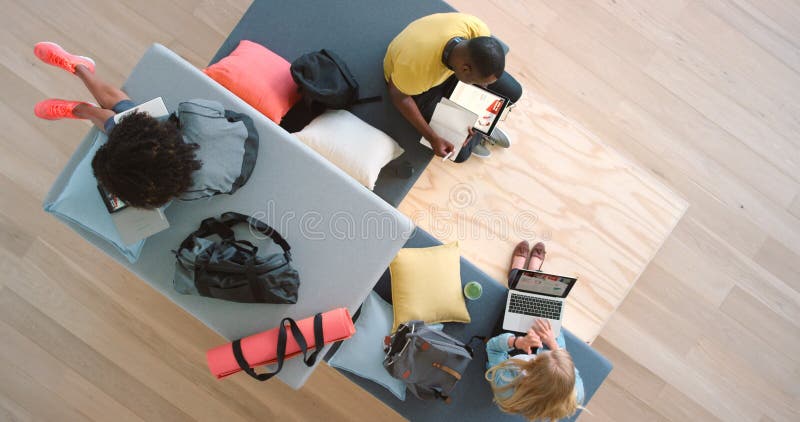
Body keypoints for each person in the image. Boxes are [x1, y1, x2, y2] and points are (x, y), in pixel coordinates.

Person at [32, 42, 201, 209]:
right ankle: (81, 80)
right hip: (167, 148)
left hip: (164, 163)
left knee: (120, 117)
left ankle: (83, 99)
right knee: (119, 118)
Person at [383, 13, 523, 161]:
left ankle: (481, 128)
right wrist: (432, 138)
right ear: (466, 69)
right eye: (480, 82)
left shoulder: (476, 28)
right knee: (460, 153)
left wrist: (481, 107)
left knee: (513, 92)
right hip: (415, 87)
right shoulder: (415, 69)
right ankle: (482, 132)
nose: (485, 87)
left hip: (449, 68)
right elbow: (398, 96)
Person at [484, 240, 585, 420]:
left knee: (515, 309)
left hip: (507, 357)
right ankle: (533, 274)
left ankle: (517, 276)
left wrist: (517, 342)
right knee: (544, 311)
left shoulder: (504, 382)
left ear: (530, 369)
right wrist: (553, 343)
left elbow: (492, 348)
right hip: (542, 371)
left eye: (540, 356)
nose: (541, 351)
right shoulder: (574, 393)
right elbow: (568, 367)